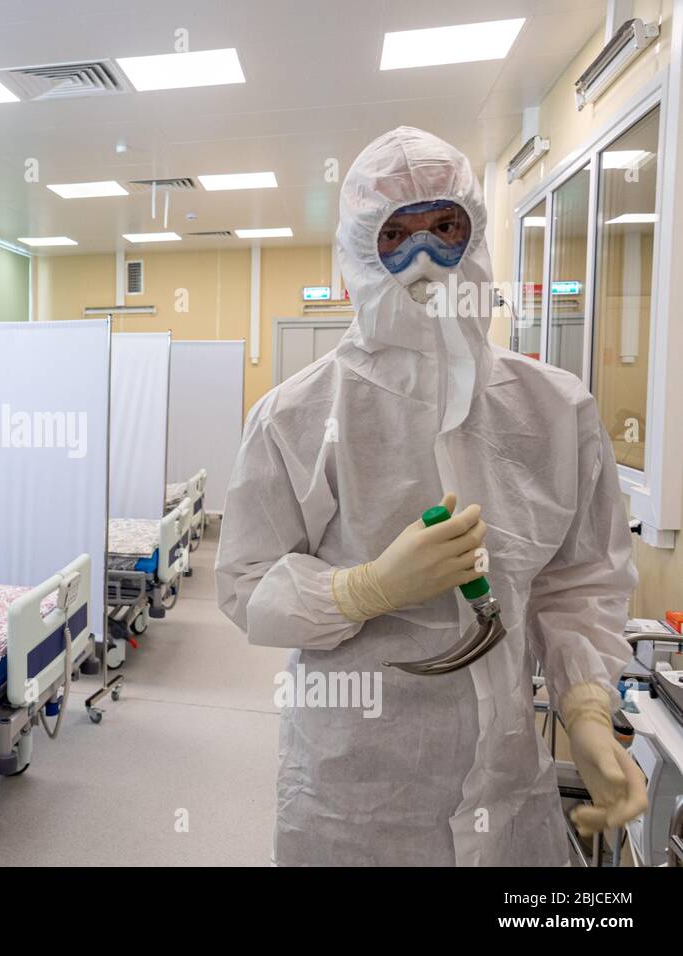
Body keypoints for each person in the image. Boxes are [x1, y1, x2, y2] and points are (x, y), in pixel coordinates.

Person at [215, 127, 645, 865]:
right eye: (395, 235)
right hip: (352, 793)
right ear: (357, 251)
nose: (424, 261)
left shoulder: (555, 409)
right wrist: (364, 588)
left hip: (507, 781)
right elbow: (245, 588)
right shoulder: (295, 415)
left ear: (476, 237)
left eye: (446, 228)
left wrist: (586, 712)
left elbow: (579, 583)